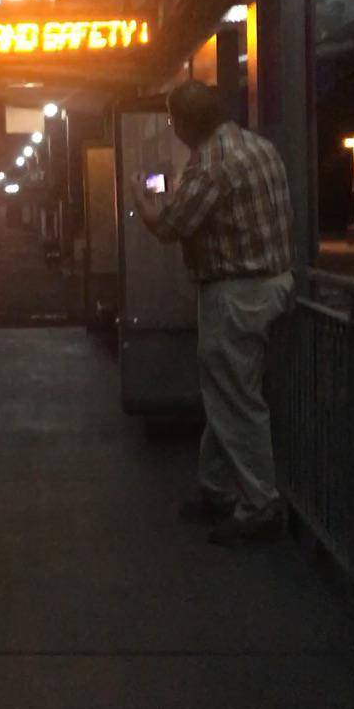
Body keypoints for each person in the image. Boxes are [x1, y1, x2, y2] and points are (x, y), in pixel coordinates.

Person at [131, 80, 294, 546]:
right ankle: (217, 488)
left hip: (237, 294)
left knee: (238, 401)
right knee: (228, 393)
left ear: (183, 124)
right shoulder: (260, 147)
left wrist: (144, 205)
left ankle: (260, 506)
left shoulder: (210, 164)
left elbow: (171, 225)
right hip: (272, 285)